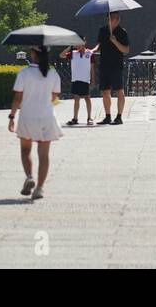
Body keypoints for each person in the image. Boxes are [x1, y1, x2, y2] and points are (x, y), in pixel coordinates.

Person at [8, 46, 62, 199]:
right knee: (44, 154)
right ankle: (39, 188)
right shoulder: (53, 74)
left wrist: (12, 116)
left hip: (27, 116)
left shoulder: (24, 73)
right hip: (46, 116)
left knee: (25, 150)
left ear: (33, 54)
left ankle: (30, 176)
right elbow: (55, 97)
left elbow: (17, 98)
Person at [91, 11, 129, 125]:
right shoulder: (102, 30)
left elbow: (126, 50)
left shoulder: (122, 32)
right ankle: (107, 116)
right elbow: (99, 44)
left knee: (119, 91)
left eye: (115, 18)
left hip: (116, 65)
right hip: (104, 64)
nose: (112, 20)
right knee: (105, 91)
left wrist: (115, 41)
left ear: (118, 19)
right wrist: (93, 50)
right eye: (110, 18)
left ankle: (119, 116)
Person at [62, 44, 95, 126]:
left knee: (87, 98)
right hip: (76, 79)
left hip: (85, 79)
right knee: (76, 98)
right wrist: (70, 47)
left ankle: (89, 118)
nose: (78, 46)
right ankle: (75, 118)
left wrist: (93, 80)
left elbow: (92, 68)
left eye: (80, 43)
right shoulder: (73, 53)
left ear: (84, 43)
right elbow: (61, 55)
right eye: (77, 44)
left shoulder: (89, 53)